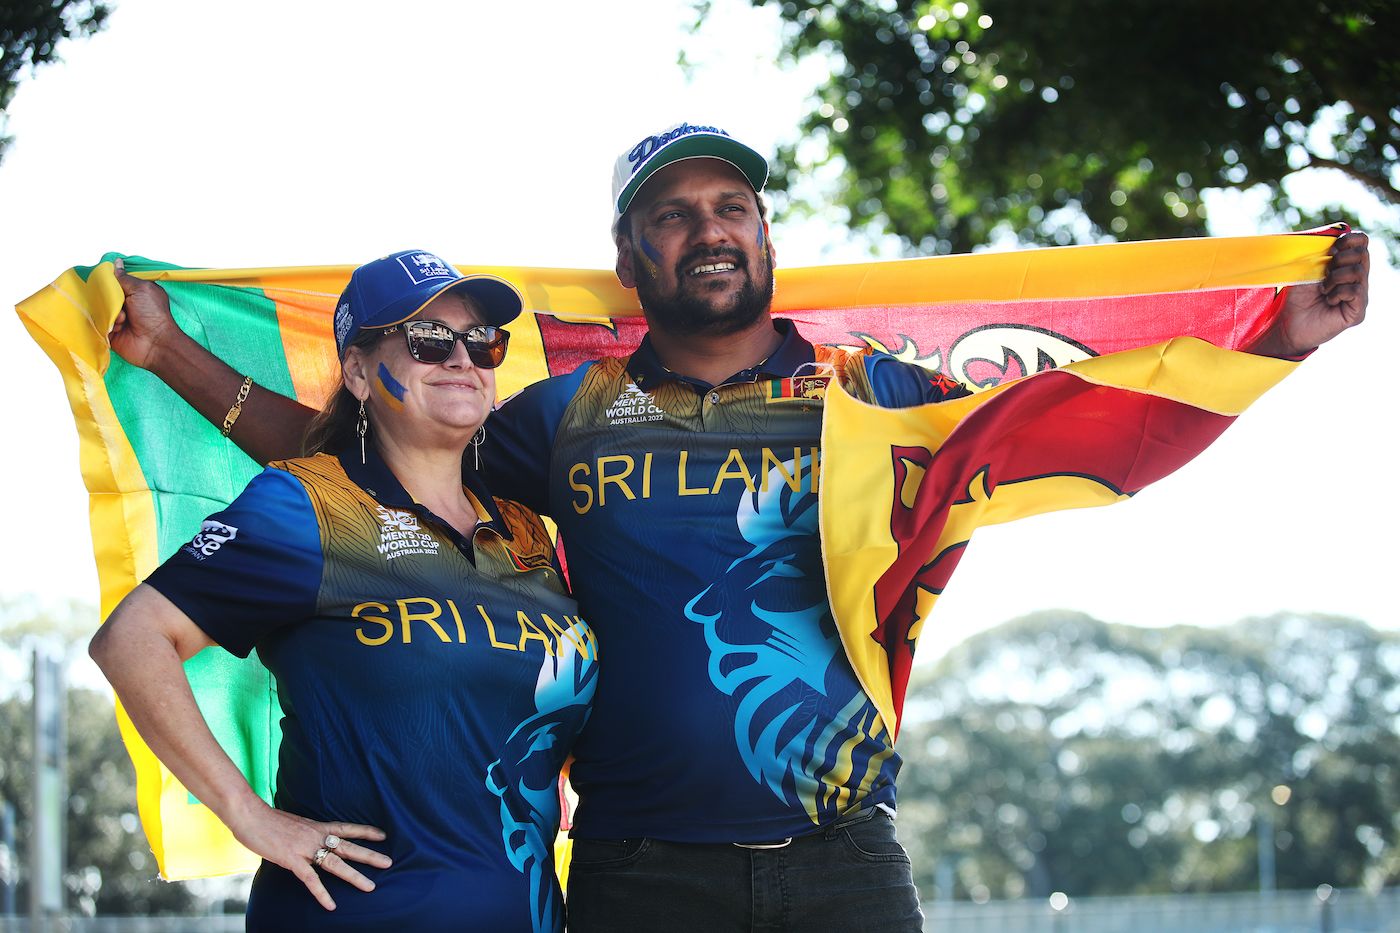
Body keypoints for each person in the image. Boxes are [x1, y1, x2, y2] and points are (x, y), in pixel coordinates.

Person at [107, 123, 1370, 933]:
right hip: (633, 874)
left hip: (842, 864)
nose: (706, 228)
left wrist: (1274, 337)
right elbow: (366, 454)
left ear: (765, 234)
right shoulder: (557, 418)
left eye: (731, 207)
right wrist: (169, 360)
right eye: (671, 213)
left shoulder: (876, 396)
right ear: (629, 255)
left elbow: (1070, 419)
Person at [91, 250, 598, 933]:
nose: (462, 358)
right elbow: (131, 638)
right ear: (357, 372)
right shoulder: (307, 504)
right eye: (427, 339)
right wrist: (251, 818)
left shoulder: (523, 528)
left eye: (483, 341)